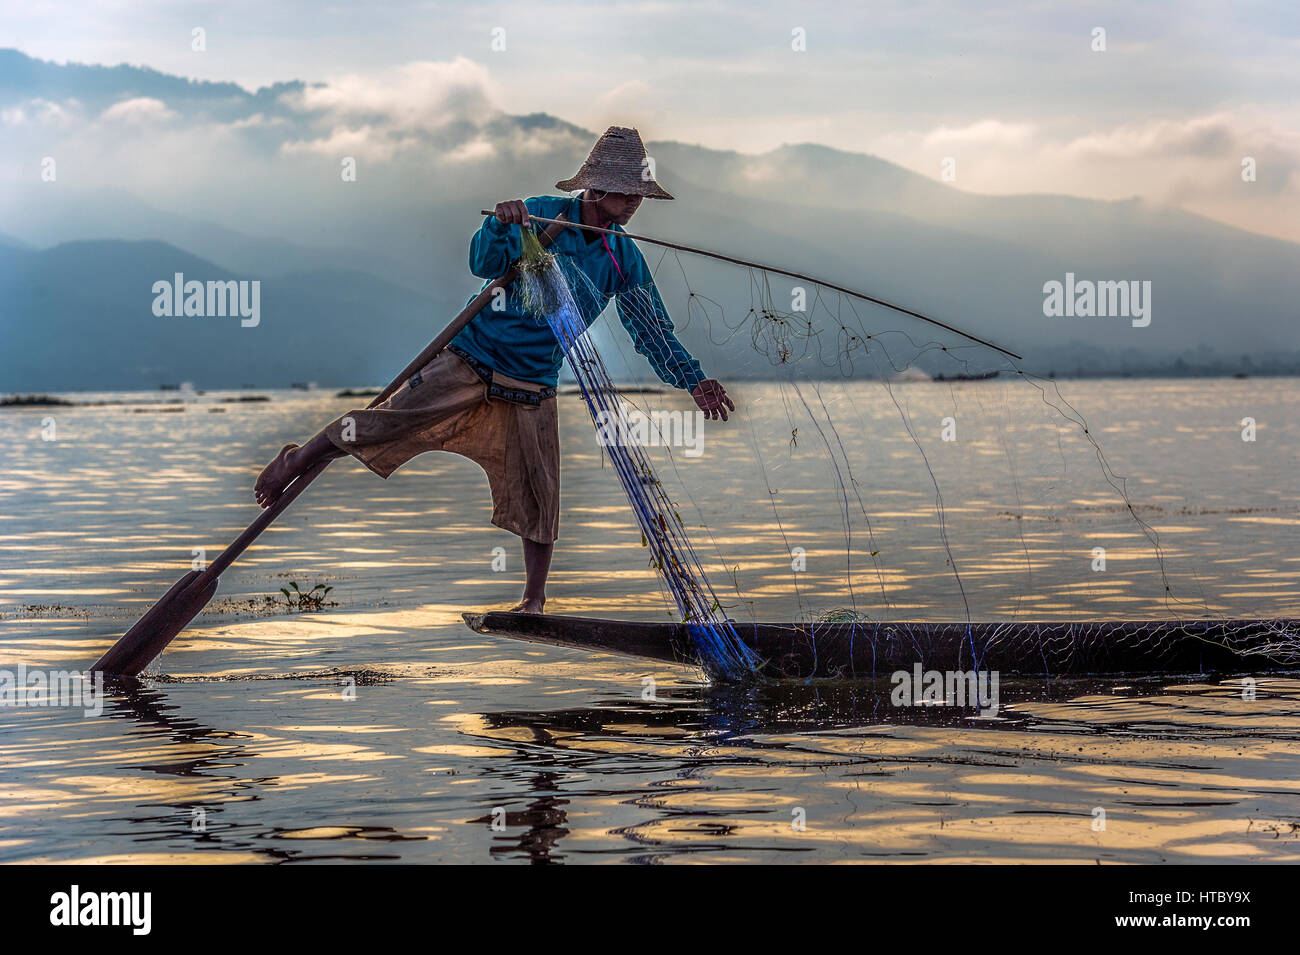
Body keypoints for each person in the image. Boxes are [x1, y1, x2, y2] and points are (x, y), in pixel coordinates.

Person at [254, 126, 734, 613]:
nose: (634, 203)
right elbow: (481, 262)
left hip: (534, 379)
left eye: (639, 194)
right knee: (384, 425)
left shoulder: (623, 255)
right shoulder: (542, 215)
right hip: (473, 356)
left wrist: (693, 381)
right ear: (596, 187)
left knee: (540, 490)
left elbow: (652, 329)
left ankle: (533, 600)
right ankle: (294, 461)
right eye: (626, 191)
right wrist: (502, 224)